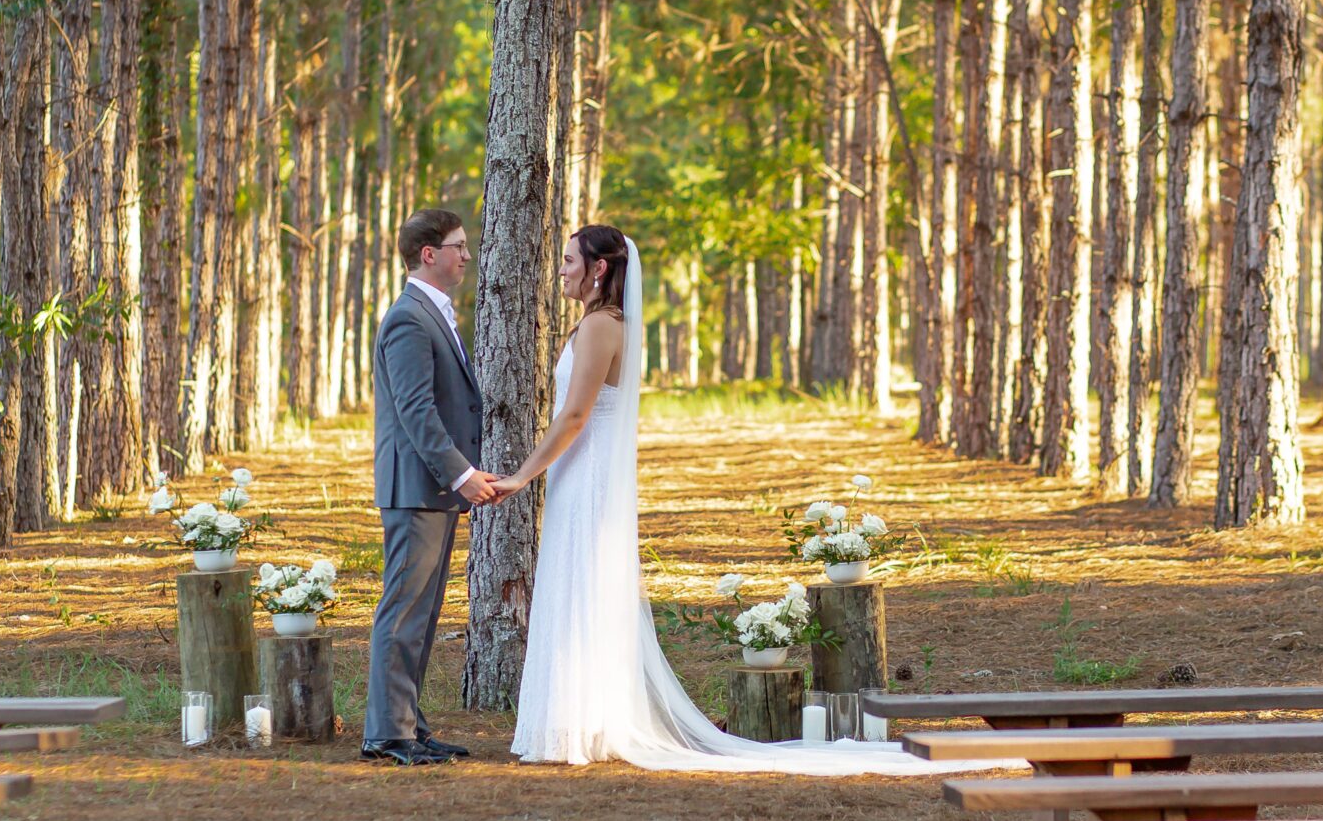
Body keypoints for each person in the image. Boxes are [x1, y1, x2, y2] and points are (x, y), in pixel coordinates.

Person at [492, 224, 1018, 777]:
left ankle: (587, 723)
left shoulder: (602, 325)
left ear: (600, 268)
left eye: (571, 260)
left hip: (588, 471)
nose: (563, 269)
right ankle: (581, 718)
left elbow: (575, 416)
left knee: (585, 583)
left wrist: (523, 476)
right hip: (576, 471)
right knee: (578, 586)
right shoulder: (592, 324)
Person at [363, 209, 499, 768]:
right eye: (458, 246)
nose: (466, 255)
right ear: (429, 253)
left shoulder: (432, 314)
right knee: (402, 611)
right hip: (416, 487)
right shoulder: (409, 320)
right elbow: (416, 411)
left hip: (433, 490)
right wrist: (462, 473)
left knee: (422, 615)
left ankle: (408, 726)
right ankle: (385, 734)